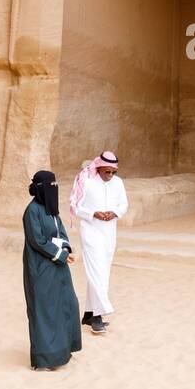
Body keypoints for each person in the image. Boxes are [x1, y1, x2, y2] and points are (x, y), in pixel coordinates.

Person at [22, 170, 83, 370]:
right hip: (41, 268)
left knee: (68, 305)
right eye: (51, 185)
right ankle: (45, 358)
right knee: (45, 311)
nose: (54, 188)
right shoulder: (32, 211)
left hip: (59, 266)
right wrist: (62, 255)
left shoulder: (51, 209)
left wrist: (66, 249)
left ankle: (64, 350)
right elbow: (37, 241)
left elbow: (61, 232)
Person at [70, 150, 128, 335]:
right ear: (98, 167)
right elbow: (74, 205)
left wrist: (115, 213)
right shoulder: (85, 180)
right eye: (106, 172)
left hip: (109, 232)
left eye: (113, 172)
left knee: (103, 271)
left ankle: (88, 314)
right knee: (96, 272)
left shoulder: (118, 183)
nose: (110, 175)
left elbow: (124, 204)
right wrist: (92, 213)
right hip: (90, 231)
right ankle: (98, 316)